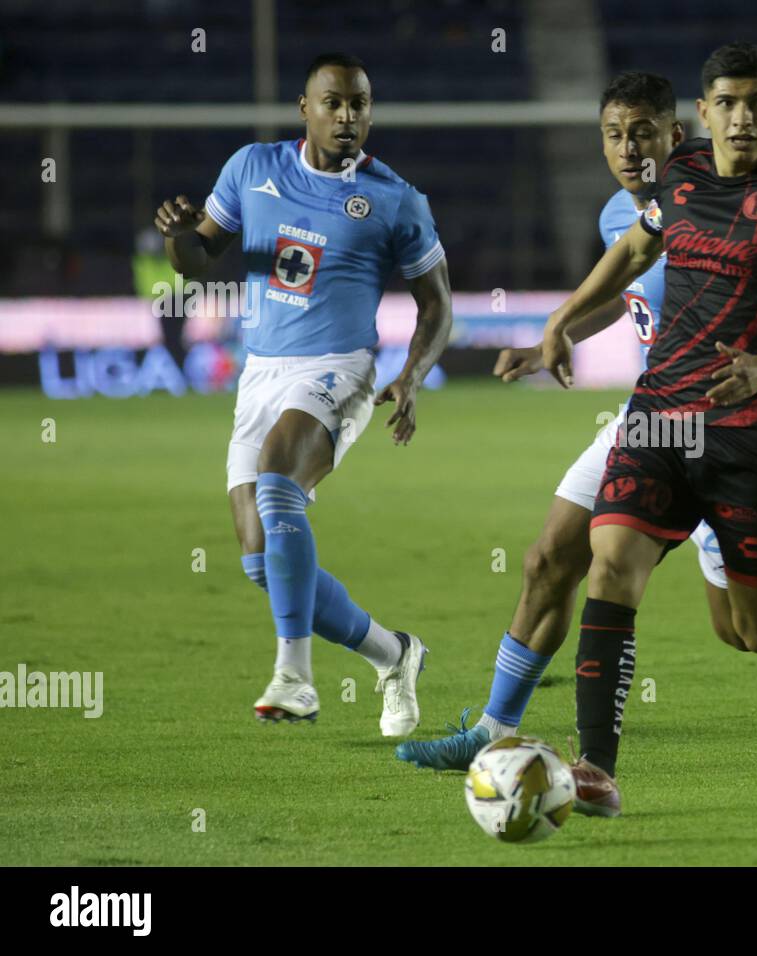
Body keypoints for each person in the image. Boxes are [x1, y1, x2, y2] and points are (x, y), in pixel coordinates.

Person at [396, 69, 757, 816]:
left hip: (743, 422)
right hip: (653, 418)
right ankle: (517, 736)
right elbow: (623, 296)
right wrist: (551, 332)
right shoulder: (638, 210)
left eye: (643, 132)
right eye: (615, 134)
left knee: (756, 627)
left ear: (679, 131)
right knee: (562, 556)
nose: (628, 147)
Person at [152, 52, 453, 734]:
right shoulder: (251, 169)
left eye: (360, 105)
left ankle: (295, 674)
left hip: (339, 368)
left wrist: (410, 375)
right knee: (263, 560)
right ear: (305, 109)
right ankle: (395, 652)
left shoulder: (394, 197)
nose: (348, 117)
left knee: (276, 482)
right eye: (334, 103)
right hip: (261, 370)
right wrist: (176, 239)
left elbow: (437, 306)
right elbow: (199, 259)